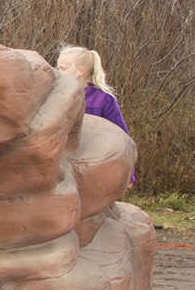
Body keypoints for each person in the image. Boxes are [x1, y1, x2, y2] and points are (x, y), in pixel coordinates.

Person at [56, 45, 135, 186]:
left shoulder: (103, 100)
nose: (57, 71)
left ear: (80, 71)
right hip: (62, 166)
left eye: (63, 68)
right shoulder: (57, 97)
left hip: (93, 167)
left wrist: (128, 174)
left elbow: (121, 136)